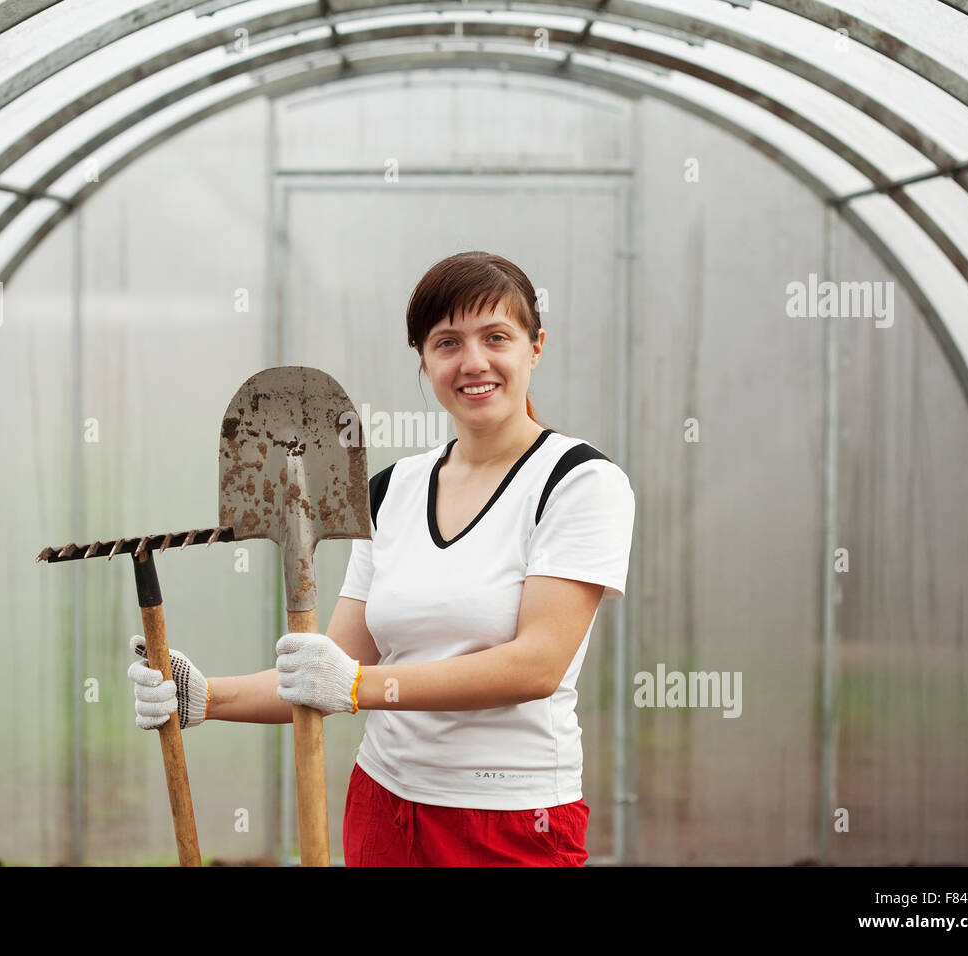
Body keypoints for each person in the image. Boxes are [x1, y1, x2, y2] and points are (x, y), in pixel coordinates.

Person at [128, 250, 635, 866]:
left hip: (508, 820)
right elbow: (331, 667)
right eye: (447, 343)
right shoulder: (393, 490)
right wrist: (205, 697)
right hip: (383, 806)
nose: (474, 362)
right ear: (424, 361)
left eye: (496, 337)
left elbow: (535, 667)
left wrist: (361, 688)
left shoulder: (578, 483)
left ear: (535, 346)